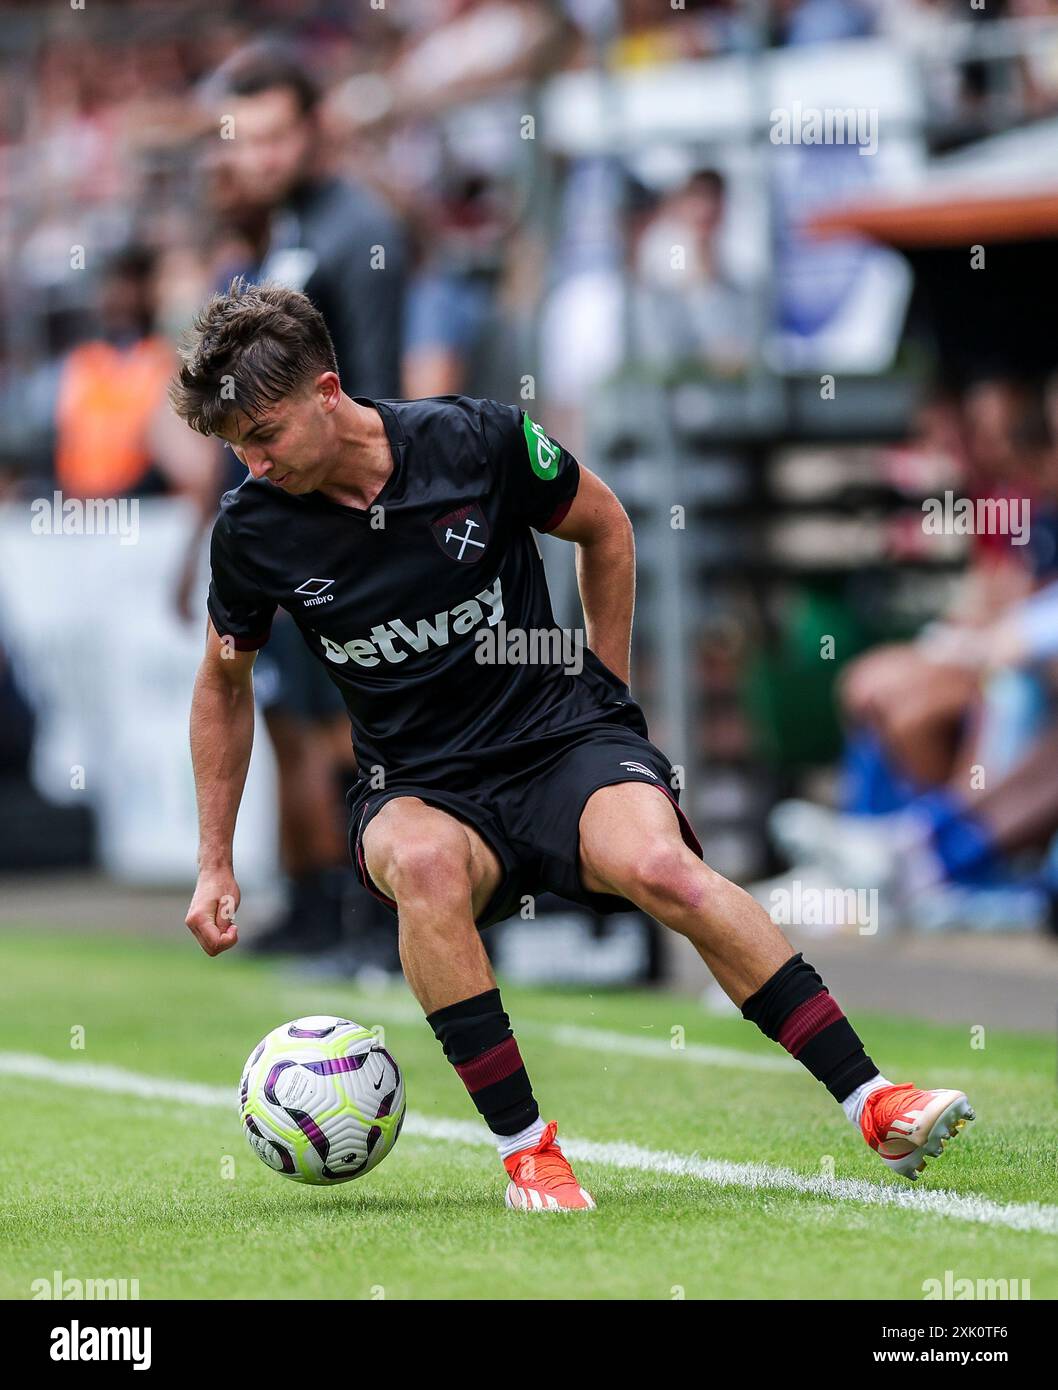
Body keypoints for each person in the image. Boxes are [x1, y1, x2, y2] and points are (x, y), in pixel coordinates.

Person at [174, 280, 975, 1210]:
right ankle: (529, 1155)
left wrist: (609, 697)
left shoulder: (475, 440)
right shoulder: (253, 530)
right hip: (418, 783)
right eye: (237, 447)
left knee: (664, 870)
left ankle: (874, 1101)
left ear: (326, 389)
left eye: (263, 434)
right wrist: (213, 862)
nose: (254, 462)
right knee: (424, 866)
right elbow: (223, 684)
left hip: (559, 740)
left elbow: (606, 527)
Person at [178, 44, 408, 962]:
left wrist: (374, 516)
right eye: (246, 138)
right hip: (279, 512)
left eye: (276, 134)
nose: (259, 155)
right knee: (290, 715)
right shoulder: (281, 232)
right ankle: (323, 903)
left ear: (313, 129)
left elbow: (376, 388)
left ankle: (385, 918)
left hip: (341, 510)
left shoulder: (360, 229)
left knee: (354, 723)